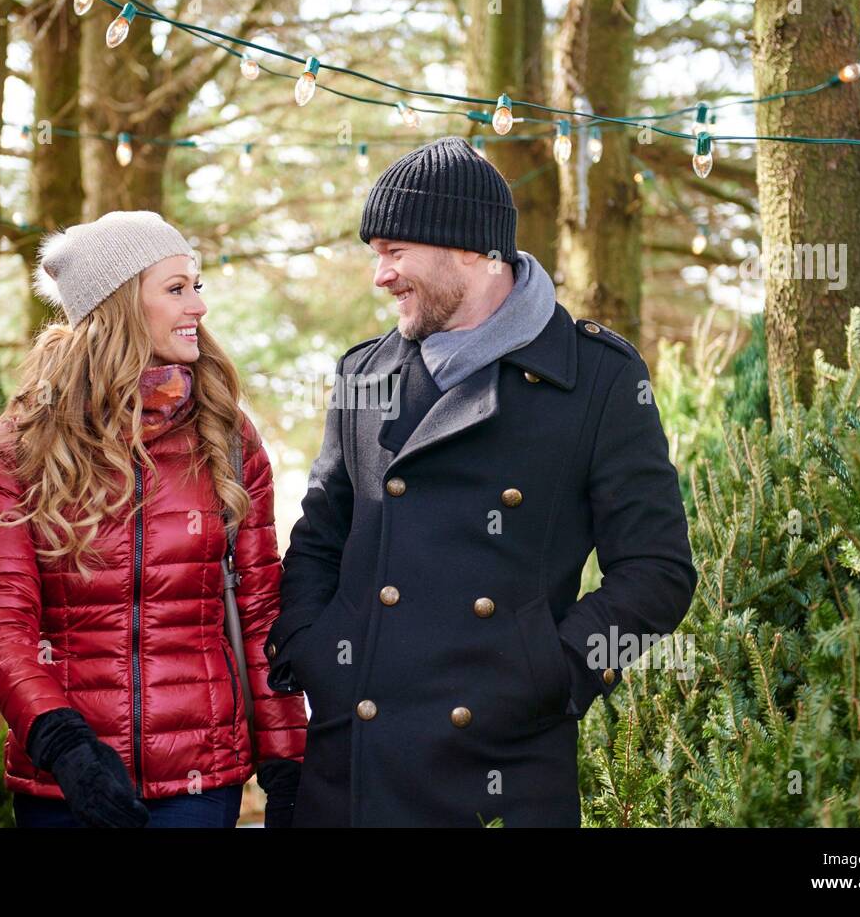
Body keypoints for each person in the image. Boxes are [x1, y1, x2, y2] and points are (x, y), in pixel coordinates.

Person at [264, 137, 698, 827]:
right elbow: (320, 537)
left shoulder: (598, 378)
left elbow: (657, 571)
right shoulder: (363, 373)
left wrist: (550, 672)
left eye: (395, 251)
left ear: (469, 248)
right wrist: (313, 648)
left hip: (501, 765)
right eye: (375, 253)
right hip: (354, 765)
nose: (380, 276)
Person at [0, 210, 306, 828]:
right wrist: (60, 741)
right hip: (68, 784)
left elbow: (260, 612)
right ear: (119, 305)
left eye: (196, 285)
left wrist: (288, 762)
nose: (199, 305)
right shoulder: (19, 445)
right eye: (176, 288)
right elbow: (1, 619)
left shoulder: (226, 437)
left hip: (200, 783)